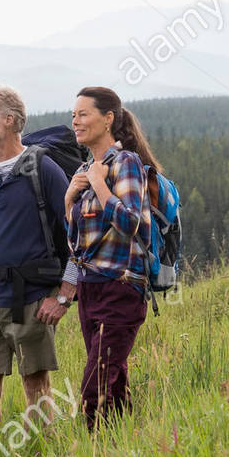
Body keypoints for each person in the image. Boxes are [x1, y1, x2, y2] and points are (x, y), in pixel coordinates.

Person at [0, 86, 77, 426]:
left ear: (9, 121)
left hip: (32, 298)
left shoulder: (45, 170)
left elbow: (77, 235)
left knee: (36, 388)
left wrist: (65, 296)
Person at [65, 86, 158, 429]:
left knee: (95, 386)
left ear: (107, 120)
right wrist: (68, 198)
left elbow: (131, 223)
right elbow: (77, 245)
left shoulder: (126, 163)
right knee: (112, 383)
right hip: (90, 289)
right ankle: (124, 449)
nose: (75, 121)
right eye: (73, 115)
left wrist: (99, 185)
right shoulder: (87, 168)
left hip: (121, 286)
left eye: (83, 114)